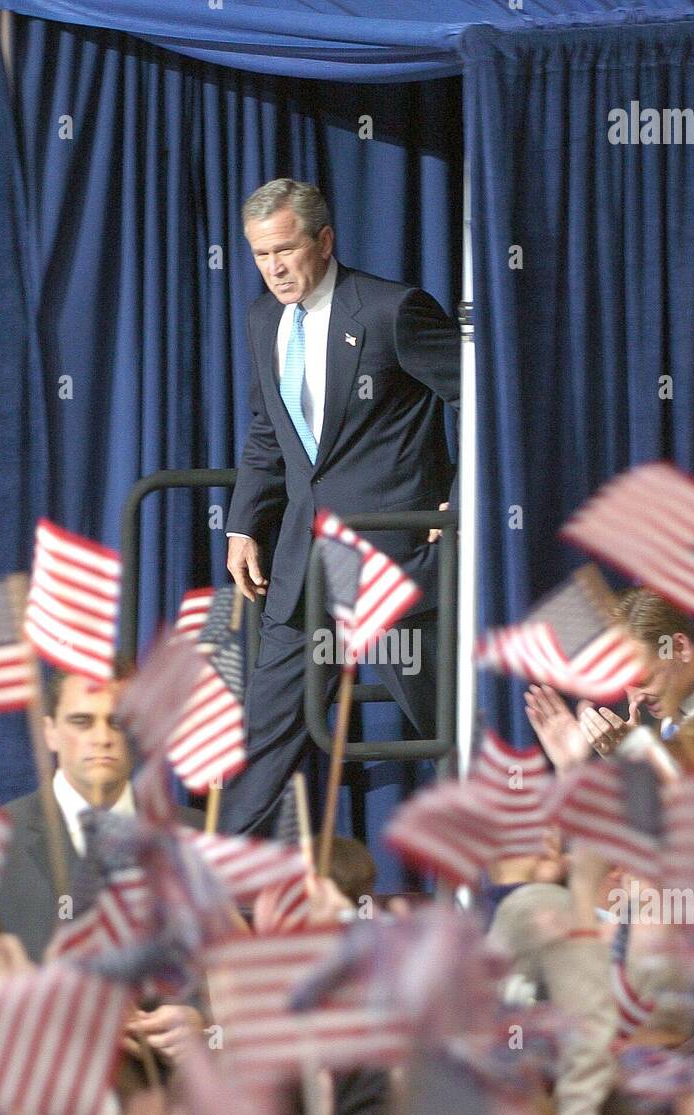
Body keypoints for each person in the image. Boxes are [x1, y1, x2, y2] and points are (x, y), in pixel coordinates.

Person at [220, 178, 460, 836]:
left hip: (389, 556)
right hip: (303, 564)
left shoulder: (392, 310)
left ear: (324, 241)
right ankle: (207, 902)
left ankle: (513, 875)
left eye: (285, 249)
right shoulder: (263, 319)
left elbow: (478, 397)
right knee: (264, 738)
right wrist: (245, 523)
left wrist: (459, 500)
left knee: (450, 730)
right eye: (260, 254)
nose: (274, 268)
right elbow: (269, 431)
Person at [0, 667, 204, 1063]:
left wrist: (205, 1027)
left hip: (170, 1100)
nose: (102, 738)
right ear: (50, 732)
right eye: (82, 722)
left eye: (116, 722)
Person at [525, 588, 694, 767]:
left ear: (679, 647)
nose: (634, 699)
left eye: (643, 680)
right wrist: (573, 767)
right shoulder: (629, 721)